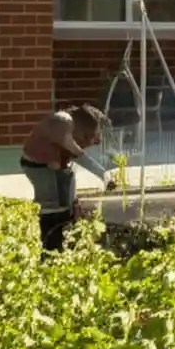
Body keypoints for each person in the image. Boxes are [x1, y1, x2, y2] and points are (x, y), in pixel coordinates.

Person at [20, 104, 113, 250]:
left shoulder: (67, 131)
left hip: (51, 164)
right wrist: (103, 173)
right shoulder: (63, 122)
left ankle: (64, 233)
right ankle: (50, 245)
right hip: (38, 166)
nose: (88, 144)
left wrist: (73, 200)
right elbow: (78, 153)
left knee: (66, 186)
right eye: (88, 137)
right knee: (51, 204)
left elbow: (72, 159)